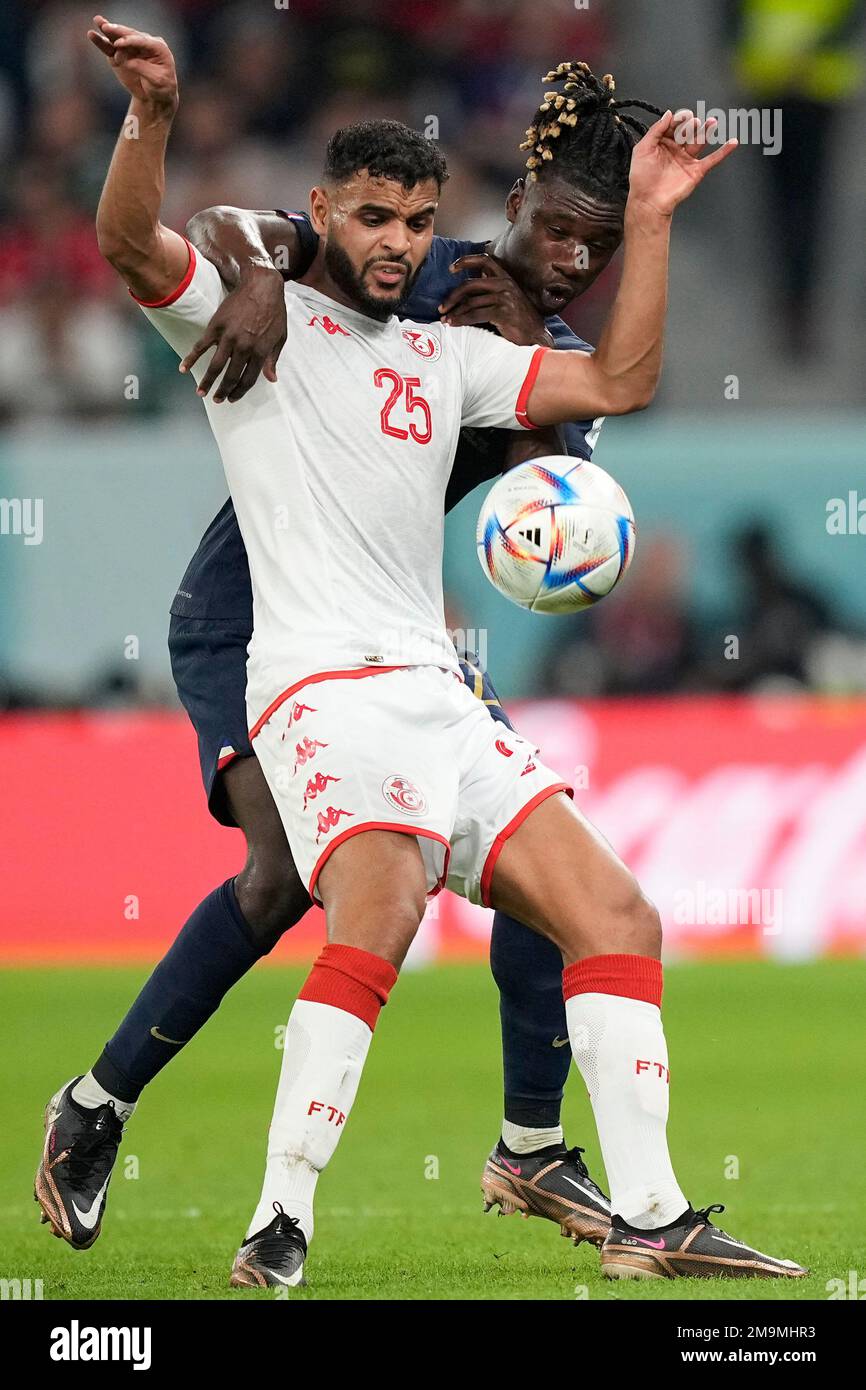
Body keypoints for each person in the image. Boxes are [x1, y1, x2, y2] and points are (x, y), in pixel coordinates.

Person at [42, 20, 804, 1291]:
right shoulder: (351, 286)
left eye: (597, 247)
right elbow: (231, 233)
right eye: (559, 230)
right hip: (253, 618)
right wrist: (230, 244)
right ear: (508, 206)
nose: (571, 260)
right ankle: (117, 1112)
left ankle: (541, 1150)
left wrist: (648, 232)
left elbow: (603, 398)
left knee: (552, 866)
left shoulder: (487, 353)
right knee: (299, 879)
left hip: (406, 647)